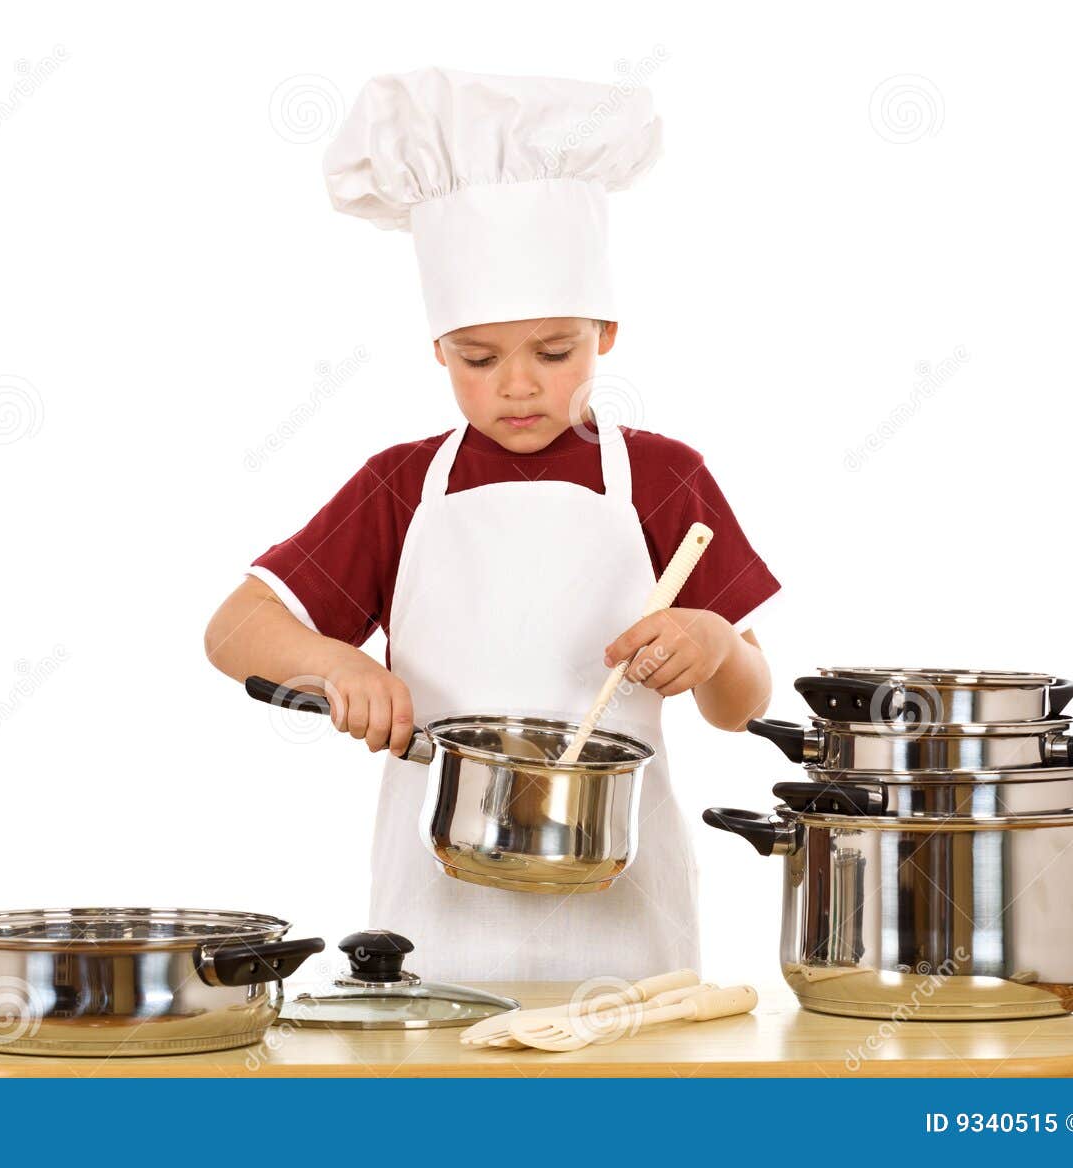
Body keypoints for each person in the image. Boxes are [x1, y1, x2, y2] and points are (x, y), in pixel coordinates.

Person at [206, 67, 778, 981]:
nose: (517, 385)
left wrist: (713, 644)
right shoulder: (400, 486)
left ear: (607, 334)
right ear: (437, 347)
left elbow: (742, 703)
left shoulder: (667, 479)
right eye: (478, 358)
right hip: (435, 925)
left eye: (555, 352)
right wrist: (337, 662)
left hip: (626, 932)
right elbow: (233, 630)